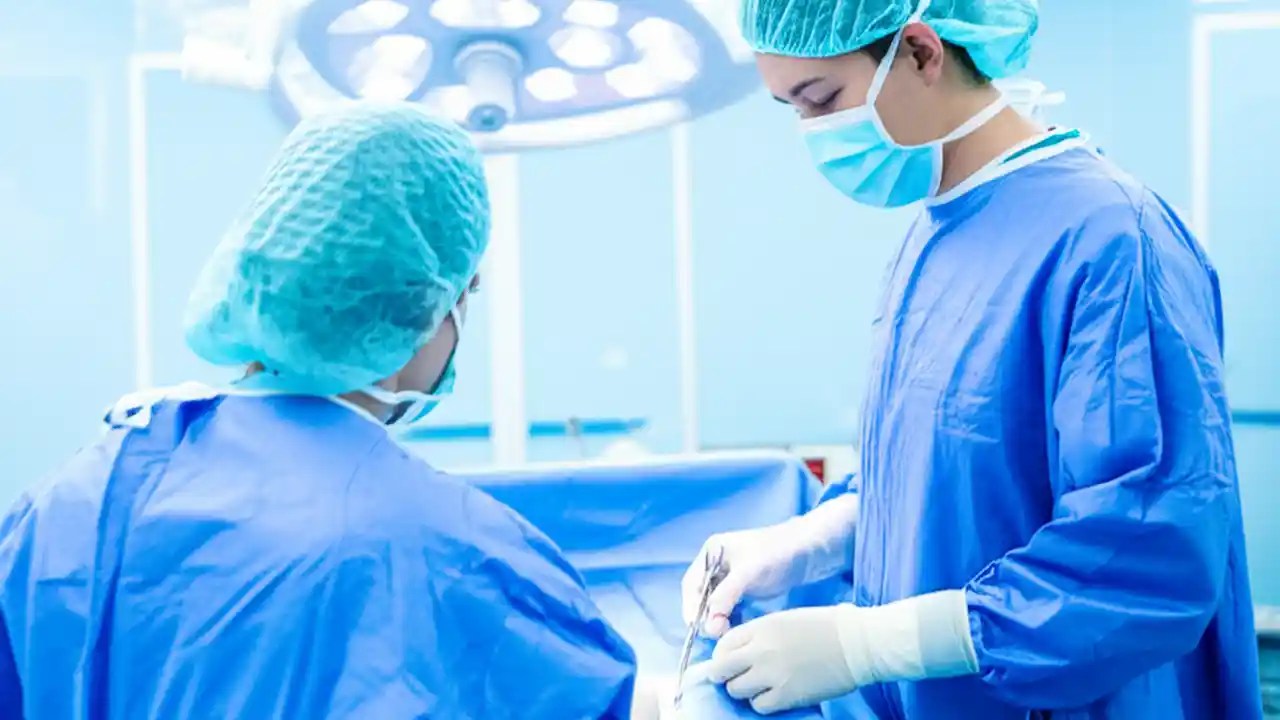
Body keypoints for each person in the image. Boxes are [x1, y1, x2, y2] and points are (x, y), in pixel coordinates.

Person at [680, 1, 1263, 718]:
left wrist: (868, 645)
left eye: (821, 100)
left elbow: (1146, 554)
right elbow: (962, 475)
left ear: (922, 51)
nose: (813, 134)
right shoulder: (932, 234)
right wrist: (817, 539)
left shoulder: (1112, 239)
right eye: (790, 108)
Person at [0, 104, 647, 718]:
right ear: (420, 303)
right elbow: (597, 701)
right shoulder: (456, 552)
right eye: (465, 290)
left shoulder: (72, 502)